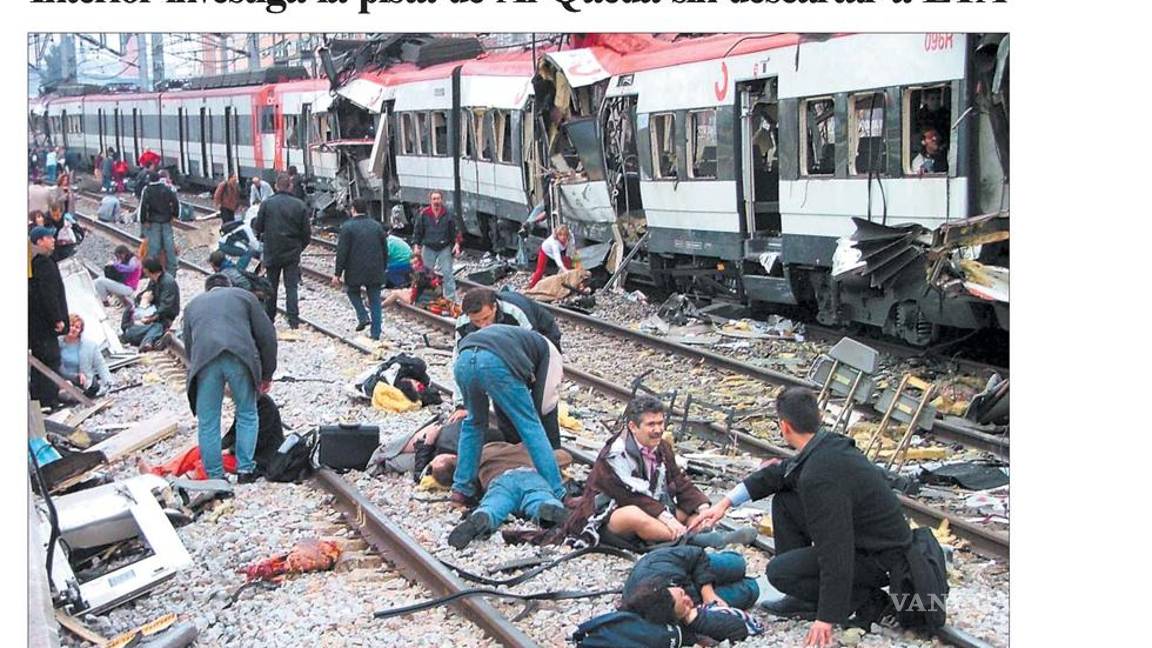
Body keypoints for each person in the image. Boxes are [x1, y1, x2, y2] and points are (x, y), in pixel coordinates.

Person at [690, 387, 914, 647]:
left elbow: (835, 550)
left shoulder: (819, 478)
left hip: (880, 560)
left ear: (784, 426)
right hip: (872, 545)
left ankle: (864, 601)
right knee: (785, 500)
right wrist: (725, 503)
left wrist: (826, 617)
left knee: (778, 572)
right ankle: (802, 597)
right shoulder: (827, 446)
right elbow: (778, 473)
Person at [557, 395, 755, 550]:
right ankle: (697, 539)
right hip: (610, 515)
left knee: (688, 509)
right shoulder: (614, 454)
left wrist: (703, 509)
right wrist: (667, 519)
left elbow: (679, 481)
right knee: (633, 514)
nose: (658, 430)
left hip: (652, 506)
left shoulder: (661, 447)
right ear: (633, 427)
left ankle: (698, 531)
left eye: (661, 423)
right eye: (651, 425)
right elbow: (631, 497)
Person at [452, 325, 565, 506]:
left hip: (463, 360)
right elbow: (546, 401)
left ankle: (461, 489)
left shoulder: (518, 338)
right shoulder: (549, 351)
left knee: (473, 423)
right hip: (493, 362)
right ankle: (557, 490)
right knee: (531, 426)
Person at [182, 274, 278, 482]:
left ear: (207, 290)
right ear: (229, 286)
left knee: (208, 422)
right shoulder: (244, 297)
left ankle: (215, 475)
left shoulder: (192, 306)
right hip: (240, 358)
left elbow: (189, 346)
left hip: (205, 362)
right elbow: (267, 335)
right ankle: (245, 470)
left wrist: (196, 368)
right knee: (247, 412)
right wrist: (267, 374)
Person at [448, 287, 564, 437]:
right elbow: (460, 363)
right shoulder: (463, 324)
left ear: (495, 307)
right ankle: (513, 446)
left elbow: (531, 351)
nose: (483, 326)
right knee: (501, 392)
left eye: (486, 318)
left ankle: (553, 448)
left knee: (542, 403)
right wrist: (461, 404)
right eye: (476, 321)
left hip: (541, 343)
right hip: (500, 348)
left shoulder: (515, 312)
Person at [434, 442, 573, 549]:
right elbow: (564, 457)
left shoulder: (471, 456)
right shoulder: (524, 447)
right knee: (540, 497)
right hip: (529, 475)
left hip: (499, 480)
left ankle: (483, 516)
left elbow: (463, 477)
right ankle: (549, 509)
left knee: (494, 505)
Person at [621, 576, 765, 645]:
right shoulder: (676, 631)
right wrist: (692, 617)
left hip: (694, 576)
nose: (687, 600)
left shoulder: (659, 587)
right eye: (684, 605)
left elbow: (695, 556)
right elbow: (738, 629)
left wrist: (706, 591)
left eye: (682, 594)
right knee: (750, 588)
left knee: (738, 571)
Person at [253, 174, 311, 328]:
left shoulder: (267, 204)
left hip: (272, 250)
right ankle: (293, 321)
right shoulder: (299, 205)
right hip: (292, 252)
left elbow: (258, 228)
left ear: (276, 186)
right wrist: (298, 248)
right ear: (290, 186)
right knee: (291, 287)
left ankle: (269, 318)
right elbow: (306, 234)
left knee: (271, 286)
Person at [331, 198, 388, 340]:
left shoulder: (347, 227)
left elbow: (342, 252)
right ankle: (376, 333)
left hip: (355, 270)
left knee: (352, 292)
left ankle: (363, 316)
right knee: (375, 300)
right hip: (375, 269)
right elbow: (385, 249)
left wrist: (337, 273)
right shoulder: (377, 226)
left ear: (353, 210)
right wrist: (383, 267)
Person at [28, 226, 69, 408]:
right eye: (49, 237)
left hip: (38, 322)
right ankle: (47, 399)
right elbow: (48, 293)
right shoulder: (43, 263)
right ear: (39, 241)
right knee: (49, 358)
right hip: (44, 323)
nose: (53, 240)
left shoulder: (36, 262)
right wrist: (57, 318)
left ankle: (40, 398)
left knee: (43, 358)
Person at [121, 257, 180, 351]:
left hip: (163, 318)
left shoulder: (168, 282)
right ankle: (153, 338)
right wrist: (141, 299)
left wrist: (152, 317)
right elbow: (146, 293)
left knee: (158, 327)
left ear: (148, 270)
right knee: (132, 332)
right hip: (152, 315)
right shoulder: (153, 280)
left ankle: (148, 341)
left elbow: (166, 307)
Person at [411, 191, 461, 301]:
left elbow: (455, 230)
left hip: (444, 247)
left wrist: (457, 244)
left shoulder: (448, 214)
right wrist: (416, 245)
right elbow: (418, 231)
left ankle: (450, 298)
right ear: (430, 201)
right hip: (428, 247)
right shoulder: (424, 214)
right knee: (425, 275)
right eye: (434, 199)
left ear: (441, 200)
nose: (436, 201)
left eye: (438, 199)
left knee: (447, 273)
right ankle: (424, 297)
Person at [57, 314, 114, 398]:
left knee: (92, 386)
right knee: (64, 393)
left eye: (77, 327)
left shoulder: (90, 345)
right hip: (62, 380)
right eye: (71, 325)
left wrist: (108, 382)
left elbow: (100, 364)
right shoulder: (57, 343)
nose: (73, 329)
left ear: (80, 331)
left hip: (83, 381)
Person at [138, 170, 180, 273]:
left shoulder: (147, 190)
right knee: (169, 247)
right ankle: (172, 270)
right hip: (166, 221)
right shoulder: (167, 189)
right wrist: (174, 215)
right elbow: (175, 202)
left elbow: (143, 206)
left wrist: (144, 220)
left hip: (153, 222)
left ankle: (154, 270)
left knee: (154, 247)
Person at [528, 224, 574, 289]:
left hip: (561, 250)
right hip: (545, 251)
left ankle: (566, 282)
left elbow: (572, 246)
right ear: (557, 235)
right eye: (560, 235)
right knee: (540, 270)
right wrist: (565, 270)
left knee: (569, 261)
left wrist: (571, 256)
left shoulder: (570, 236)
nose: (563, 237)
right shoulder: (555, 244)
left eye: (565, 235)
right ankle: (532, 286)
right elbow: (557, 258)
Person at [218, 205, 262, 272]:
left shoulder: (246, 222)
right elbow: (255, 246)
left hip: (225, 241)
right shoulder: (247, 229)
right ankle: (239, 271)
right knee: (248, 252)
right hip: (226, 244)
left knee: (247, 248)